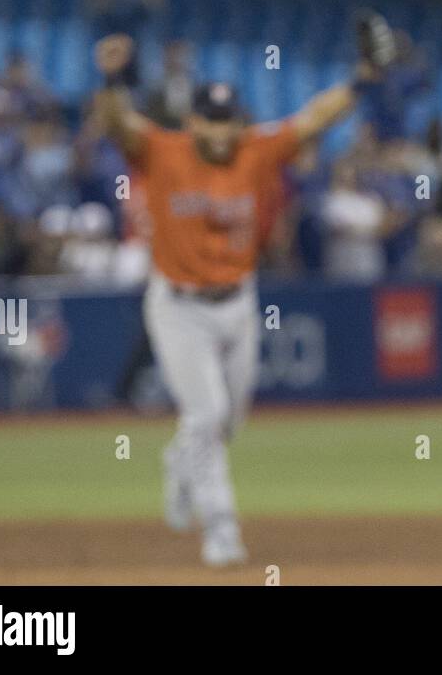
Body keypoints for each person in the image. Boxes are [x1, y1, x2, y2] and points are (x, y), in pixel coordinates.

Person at [90, 31, 380, 566]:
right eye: (211, 120)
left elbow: (314, 118)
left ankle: (180, 461)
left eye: (228, 121)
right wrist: (111, 79)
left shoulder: (257, 150)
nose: (221, 131)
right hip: (178, 305)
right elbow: (116, 123)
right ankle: (221, 529)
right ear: (193, 121)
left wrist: (363, 78)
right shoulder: (163, 150)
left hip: (238, 302)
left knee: (228, 422)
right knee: (207, 413)